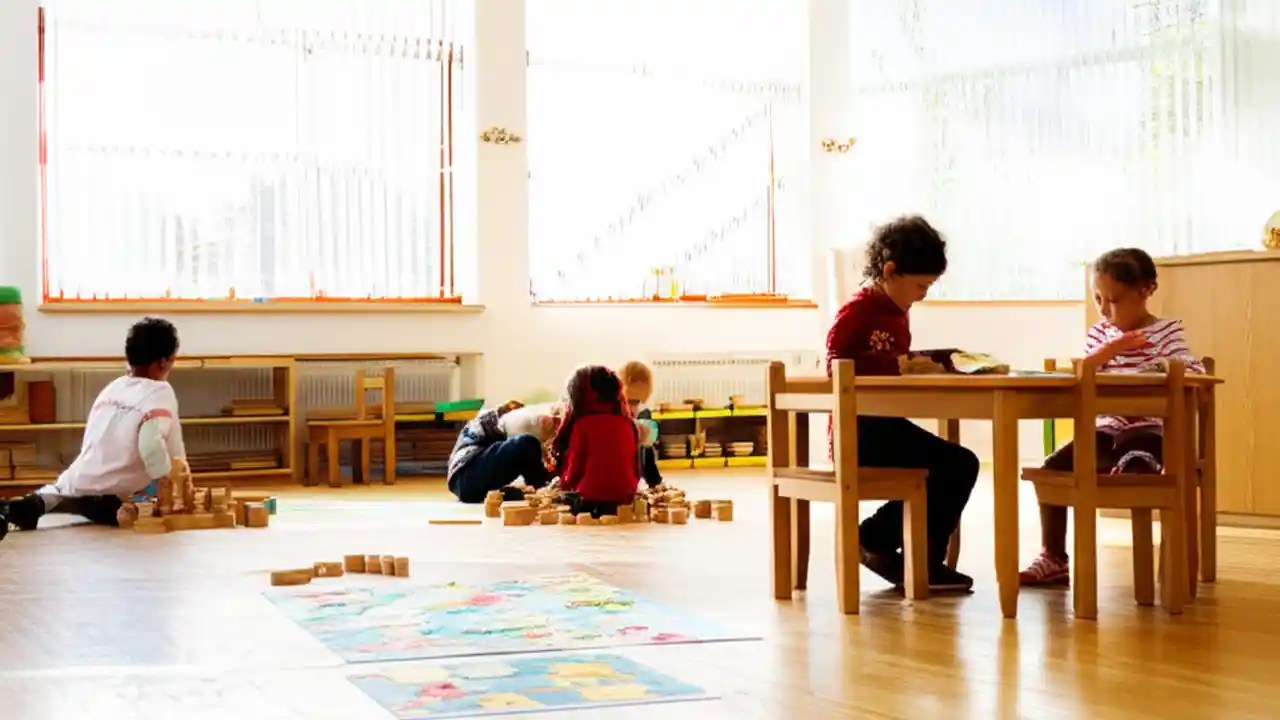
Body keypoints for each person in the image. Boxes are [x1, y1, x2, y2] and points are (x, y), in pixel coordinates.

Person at [1020, 247, 1204, 586]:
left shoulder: (1167, 331)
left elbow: (1191, 367)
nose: (1104, 310)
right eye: (1097, 299)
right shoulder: (1100, 334)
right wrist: (1111, 351)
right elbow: (1083, 372)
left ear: (1146, 290)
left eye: (1114, 300)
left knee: (1139, 452)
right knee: (1052, 469)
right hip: (1106, 429)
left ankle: (1138, 474)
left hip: (1150, 428)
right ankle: (1053, 557)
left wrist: (1161, 366)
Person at [826, 215, 979, 592]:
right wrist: (899, 363)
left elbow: (897, 362)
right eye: (921, 285)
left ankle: (899, 549)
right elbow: (835, 361)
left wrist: (939, 360)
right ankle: (900, 549)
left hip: (885, 425)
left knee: (955, 465)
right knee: (956, 465)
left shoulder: (898, 313)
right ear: (891, 272)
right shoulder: (858, 310)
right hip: (859, 430)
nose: (923, 294)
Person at [1, 317, 186, 533]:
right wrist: (171, 491)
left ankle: (29, 506)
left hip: (80, 482)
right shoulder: (159, 391)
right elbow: (151, 445)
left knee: (58, 494)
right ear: (164, 362)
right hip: (116, 498)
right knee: (148, 503)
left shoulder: (113, 389)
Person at [551, 365, 640, 512]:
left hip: (591, 498)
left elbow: (575, 469)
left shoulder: (583, 425)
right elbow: (635, 467)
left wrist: (563, 486)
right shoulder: (627, 423)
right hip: (626, 497)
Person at [447, 399, 554, 503]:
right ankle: (543, 488)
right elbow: (524, 448)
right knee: (528, 443)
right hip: (466, 475)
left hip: (460, 483)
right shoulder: (498, 419)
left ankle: (536, 488)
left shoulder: (487, 420)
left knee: (524, 452)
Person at [619, 360, 662, 488]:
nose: (633, 409)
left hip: (632, 481)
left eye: (637, 402)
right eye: (629, 402)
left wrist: (656, 484)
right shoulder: (612, 418)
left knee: (644, 439)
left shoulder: (643, 414)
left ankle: (655, 481)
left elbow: (646, 451)